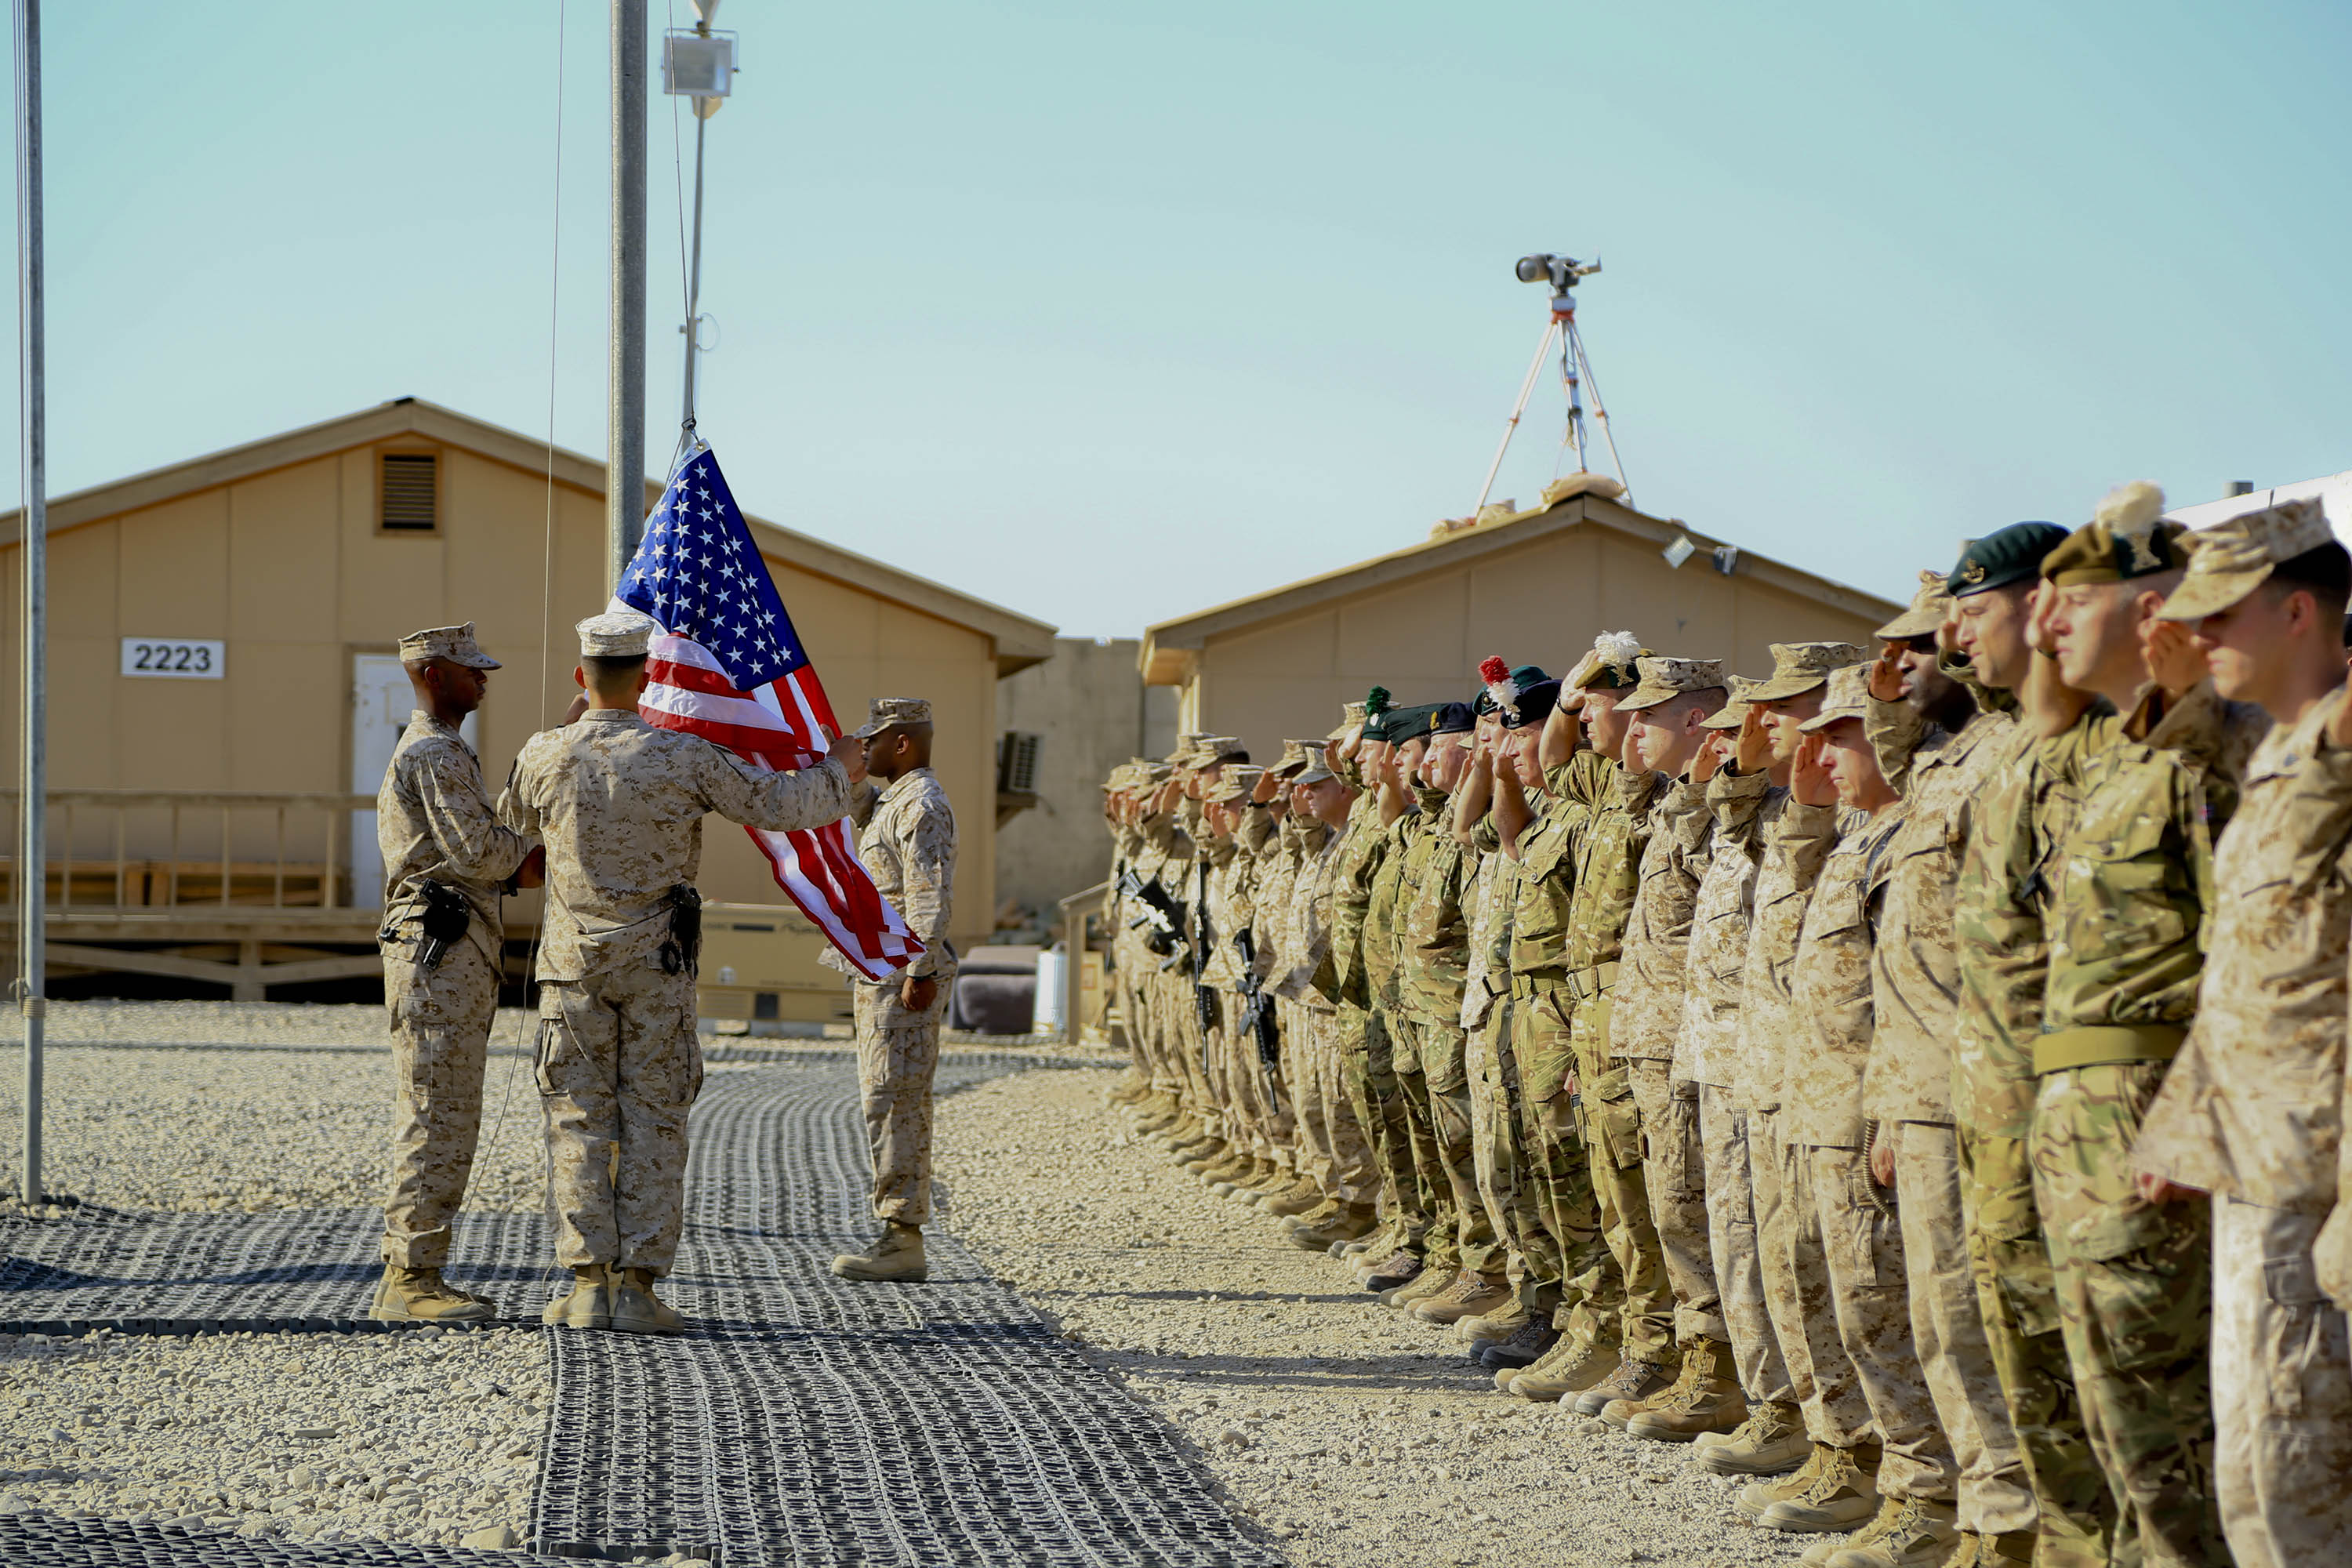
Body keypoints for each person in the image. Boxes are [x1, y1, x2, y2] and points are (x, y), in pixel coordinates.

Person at [501, 611, 863, 1333]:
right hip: (657, 969)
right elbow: (781, 805)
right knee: (655, 1119)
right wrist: (840, 770)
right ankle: (637, 1287)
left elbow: (510, 830)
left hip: (571, 970)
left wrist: (564, 741)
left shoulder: (542, 753)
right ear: (649, 676)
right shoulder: (684, 755)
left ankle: (584, 1287)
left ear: (581, 676)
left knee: (577, 1119)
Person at [2031, 486, 2253, 1565]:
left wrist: (2194, 1123)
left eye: (2074, 601)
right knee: (2109, 1418)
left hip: (2148, 1126)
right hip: (2076, 1123)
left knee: (2170, 1435)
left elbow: (2244, 952)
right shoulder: (2117, 756)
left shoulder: (2215, 754)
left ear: (2156, 608)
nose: (2047, 623)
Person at [2130, 495, 2352, 1568]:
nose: (2201, 635)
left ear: (2300, 611)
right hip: (2252, 1174)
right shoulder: (2275, 760)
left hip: (2317, 1190)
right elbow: (2250, 975)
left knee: (2307, 1501)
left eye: (2223, 616)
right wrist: (2184, 1135)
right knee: (2253, 1480)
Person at [1858, 572, 2039, 1566]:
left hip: (1985, 1092)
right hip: (1921, 1088)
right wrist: (1891, 1105)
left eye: (1921, 647)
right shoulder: (1942, 761)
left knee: (1980, 1323)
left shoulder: (2009, 755)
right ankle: (1980, 1515)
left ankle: (2009, 1527)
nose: (1900, 666)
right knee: (1940, 1322)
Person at [369, 622, 543, 1324]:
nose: (484, 679)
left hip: (448, 951)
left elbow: (477, 833)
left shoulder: (441, 751)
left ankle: (411, 1271)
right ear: (435, 673)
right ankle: (412, 1279)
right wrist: (537, 855)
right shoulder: (436, 752)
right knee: (439, 1115)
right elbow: (480, 848)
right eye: (472, 670)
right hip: (440, 954)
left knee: (443, 1113)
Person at [829, 697, 961, 1283]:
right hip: (884, 970)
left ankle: (904, 1236)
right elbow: (870, 824)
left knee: (898, 1101)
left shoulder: (925, 804)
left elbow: (928, 894)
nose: (867, 749)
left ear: (902, 743)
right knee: (883, 1099)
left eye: (874, 742)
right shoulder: (897, 802)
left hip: (903, 973)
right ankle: (896, 1230)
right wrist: (852, 780)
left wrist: (921, 970)